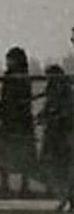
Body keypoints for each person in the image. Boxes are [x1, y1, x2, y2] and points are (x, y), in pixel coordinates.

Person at [0, 46, 38, 196]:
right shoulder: (16, 77)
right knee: (13, 153)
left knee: (12, 152)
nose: (7, 62)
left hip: (16, 120)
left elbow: (14, 99)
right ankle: (10, 185)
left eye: (10, 59)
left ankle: (18, 186)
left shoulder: (18, 78)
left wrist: (4, 108)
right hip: (16, 120)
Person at [39, 65, 73, 201]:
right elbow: (48, 106)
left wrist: (55, 115)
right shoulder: (52, 90)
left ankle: (64, 192)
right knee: (50, 161)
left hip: (62, 132)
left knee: (62, 161)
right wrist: (44, 115)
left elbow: (68, 110)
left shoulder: (66, 91)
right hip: (53, 131)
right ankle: (53, 189)